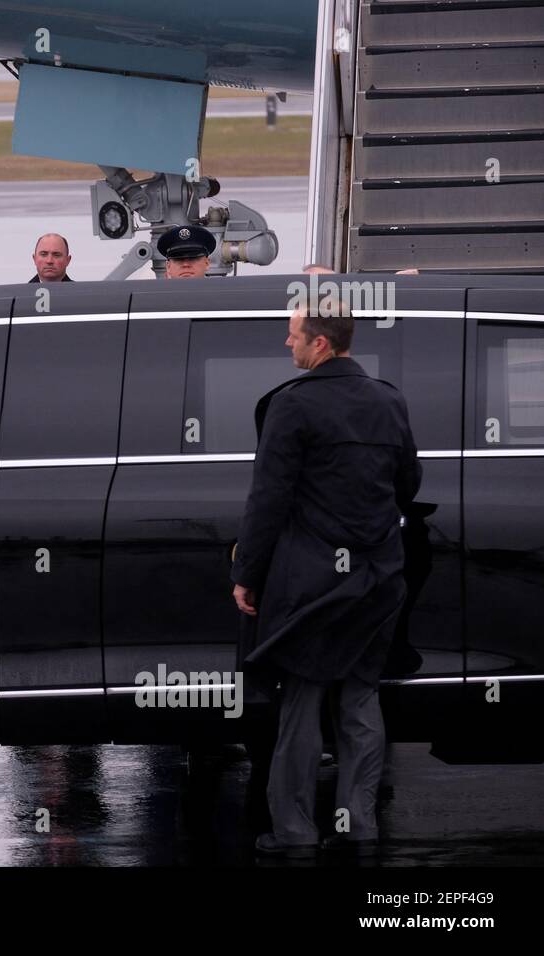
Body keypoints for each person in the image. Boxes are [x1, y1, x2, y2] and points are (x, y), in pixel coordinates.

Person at [230, 297, 421, 857]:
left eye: (294, 335)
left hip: (311, 583)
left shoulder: (293, 407)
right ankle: (358, 824)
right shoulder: (390, 401)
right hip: (378, 576)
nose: (287, 343)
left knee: (303, 701)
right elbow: (407, 483)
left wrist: (247, 573)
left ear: (321, 343)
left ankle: (293, 833)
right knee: (361, 700)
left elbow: (268, 498)